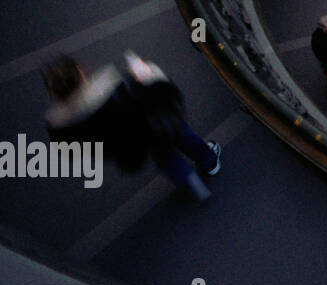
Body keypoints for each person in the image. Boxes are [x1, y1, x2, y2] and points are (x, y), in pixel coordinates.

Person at [43, 52, 222, 201]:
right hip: (155, 121)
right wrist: (145, 71)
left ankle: (191, 182)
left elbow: (70, 149)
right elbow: (146, 90)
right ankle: (209, 160)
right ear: (79, 73)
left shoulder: (59, 120)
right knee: (182, 134)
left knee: (166, 157)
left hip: (134, 141)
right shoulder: (107, 84)